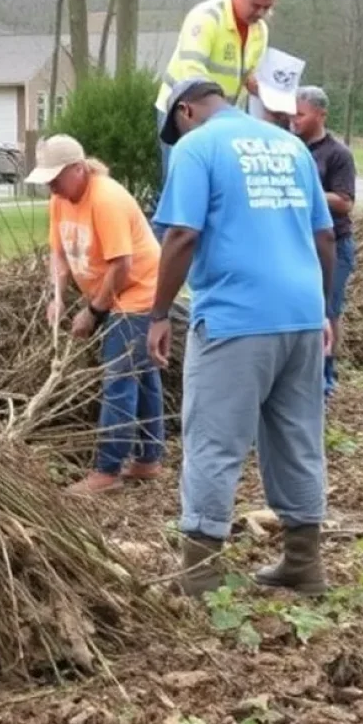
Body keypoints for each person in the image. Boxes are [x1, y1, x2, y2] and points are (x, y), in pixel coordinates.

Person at [148, 78, 336, 597]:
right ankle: (304, 563)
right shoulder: (289, 144)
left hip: (236, 318)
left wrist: (160, 313)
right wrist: (323, 308)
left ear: (186, 111)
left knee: (213, 439)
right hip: (299, 315)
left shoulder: (197, 146)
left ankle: (199, 574)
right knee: (297, 436)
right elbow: (324, 235)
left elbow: (182, 234)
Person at [25, 135, 164, 496]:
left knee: (117, 376)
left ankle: (107, 470)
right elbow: (58, 254)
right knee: (141, 371)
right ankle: (149, 459)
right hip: (111, 290)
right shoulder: (60, 199)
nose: (51, 187)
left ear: (79, 168)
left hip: (138, 289)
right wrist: (55, 296)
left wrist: (93, 311)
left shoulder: (106, 199)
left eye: (56, 178)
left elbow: (122, 264)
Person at [155, 0, 279, 188]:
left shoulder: (260, 31)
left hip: (224, 119)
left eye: (267, 8)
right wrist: (219, 114)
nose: (260, 13)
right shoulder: (206, 17)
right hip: (183, 113)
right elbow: (192, 72)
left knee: (217, 185)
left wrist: (259, 87)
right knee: (180, 183)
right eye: (256, 5)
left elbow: (249, 73)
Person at [293, 86, 356, 398]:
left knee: (328, 307)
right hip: (301, 243)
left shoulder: (338, 154)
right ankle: (304, 373)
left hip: (335, 245)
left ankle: (327, 377)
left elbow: (345, 202)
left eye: (301, 114)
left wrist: (306, 193)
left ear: (321, 115)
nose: (295, 119)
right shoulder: (292, 148)